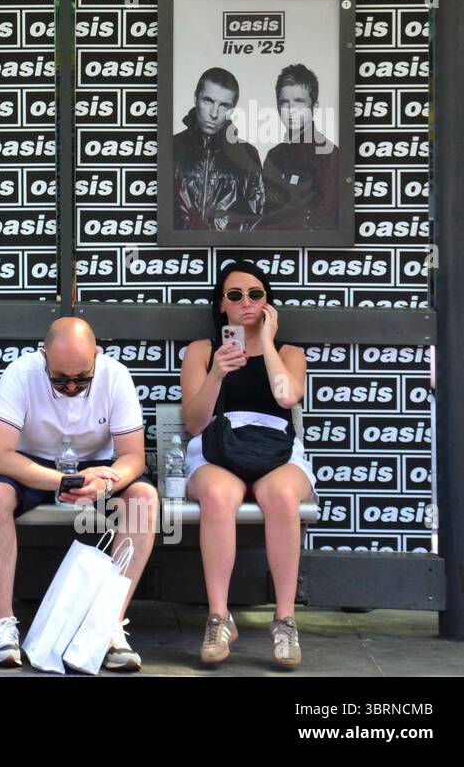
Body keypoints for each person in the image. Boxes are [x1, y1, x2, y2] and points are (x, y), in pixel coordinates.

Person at [0, 317, 157, 671]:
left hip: (97, 465)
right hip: (31, 464)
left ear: (97, 356)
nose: (71, 387)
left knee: (144, 500)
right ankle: (3, 625)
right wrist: (60, 480)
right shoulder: (21, 372)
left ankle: (107, 628)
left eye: (82, 378)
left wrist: (107, 481)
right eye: (59, 379)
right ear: (43, 357)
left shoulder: (116, 374)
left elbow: (134, 455)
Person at [178, 260, 314, 668]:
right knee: (219, 497)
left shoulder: (290, 353)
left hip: (275, 447)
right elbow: (194, 422)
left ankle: (285, 620)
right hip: (220, 442)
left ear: (268, 303)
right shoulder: (203, 350)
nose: (246, 303)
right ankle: (219, 617)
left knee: (282, 497)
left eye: (256, 294)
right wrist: (217, 373)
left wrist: (267, 343)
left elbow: (287, 397)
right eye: (235, 295)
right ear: (221, 305)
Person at [172, 67, 264, 231]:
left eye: (224, 105)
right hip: (179, 254)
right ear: (195, 98)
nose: (214, 113)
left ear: (233, 109)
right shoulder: (171, 148)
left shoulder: (247, 155)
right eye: (208, 100)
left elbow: (256, 222)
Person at [260, 64, 339, 231]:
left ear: (314, 107)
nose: (291, 110)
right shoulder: (273, 156)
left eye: (299, 102)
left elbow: (327, 224)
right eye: (284, 102)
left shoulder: (329, 156)